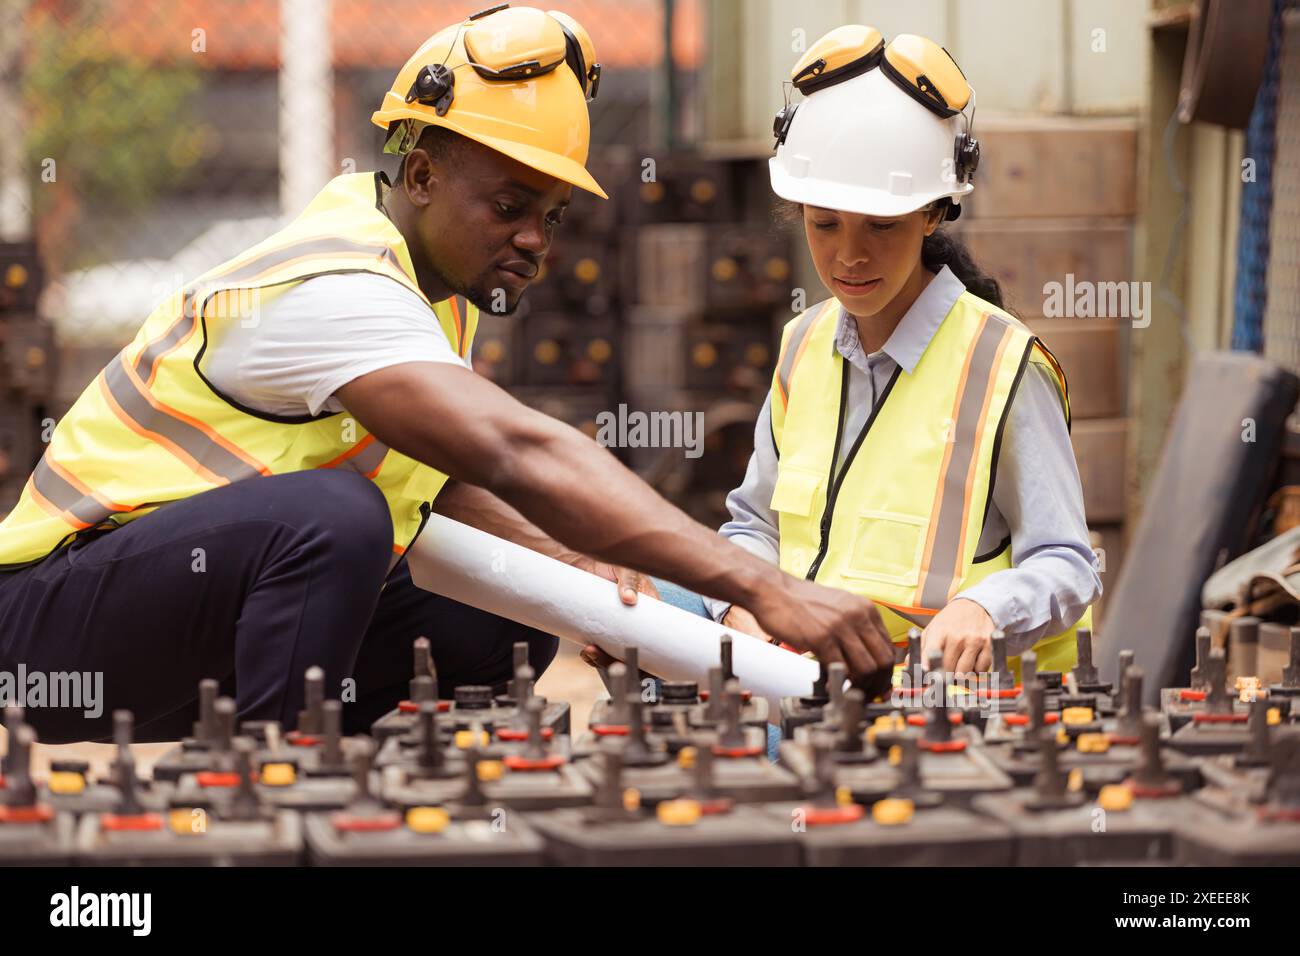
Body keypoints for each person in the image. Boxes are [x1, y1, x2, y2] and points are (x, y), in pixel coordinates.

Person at [0, 6, 895, 745]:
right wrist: (764, 586)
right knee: (335, 520)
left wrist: (597, 583)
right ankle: (274, 794)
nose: (537, 241)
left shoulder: (434, 295)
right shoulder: (335, 286)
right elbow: (512, 449)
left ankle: (417, 764)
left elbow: (450, 487)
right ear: (421, 173)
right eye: (510, 208)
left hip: (177, 623)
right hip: (47, 634)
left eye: (548, 216)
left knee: (504, 596)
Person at [587, 25, 1101, 687]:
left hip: (930, 697)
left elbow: (1066, 562)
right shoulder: (803, 345)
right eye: (824, 224)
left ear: (933, 214)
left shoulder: (1004, 367)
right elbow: (752, 524)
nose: (850, 255)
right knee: (629, 606)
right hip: (796, 671)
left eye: (881, 226)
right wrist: (743, 601)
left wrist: (982, 609)